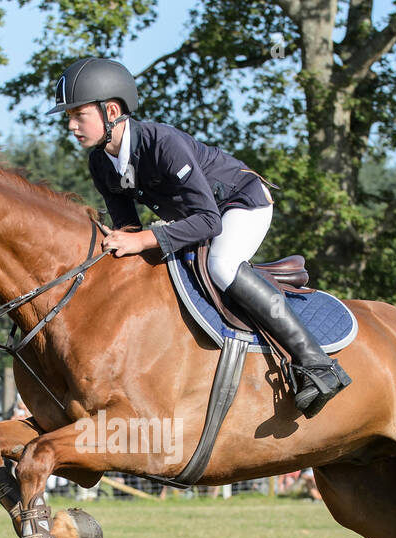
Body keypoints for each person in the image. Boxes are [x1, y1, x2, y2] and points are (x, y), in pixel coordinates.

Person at [52, 57, 350, 418]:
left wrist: (144, 239)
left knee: (221, 265)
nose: (70, 125)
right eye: (68, 116)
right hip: (197, 217)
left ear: (111, 110)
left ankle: (316, 363)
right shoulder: (101, 163)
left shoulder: (163, 143)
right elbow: (128, 227)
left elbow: (209, 221)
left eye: (78, 115)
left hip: (240, 204)